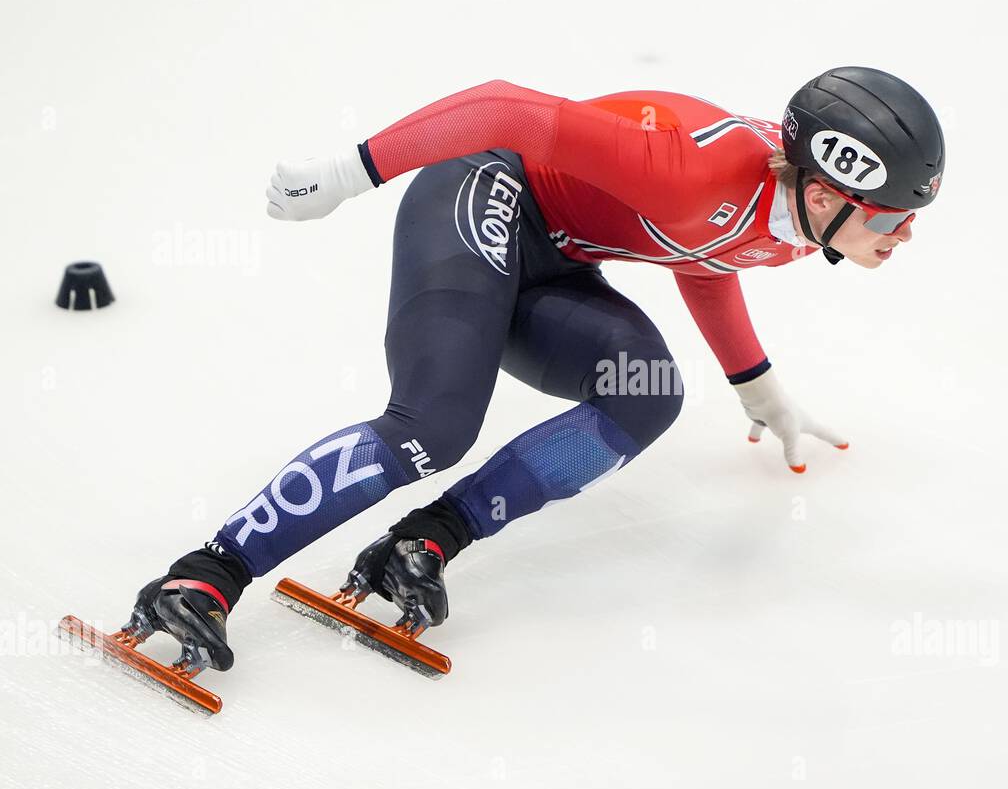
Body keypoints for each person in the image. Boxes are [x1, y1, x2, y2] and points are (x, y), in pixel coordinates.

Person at [122, 66, 946, 673]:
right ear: (831, 188)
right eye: (894, 217)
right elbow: (507, 108)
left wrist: (754, 382)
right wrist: (348, 173)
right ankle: (205, 577)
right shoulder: (696, 170)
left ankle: (425, 541)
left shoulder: (791, 222)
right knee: (432, 427)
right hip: (483, 191)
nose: (903, 235)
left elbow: (705, 258)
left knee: (647, 396)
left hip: (550, 259)